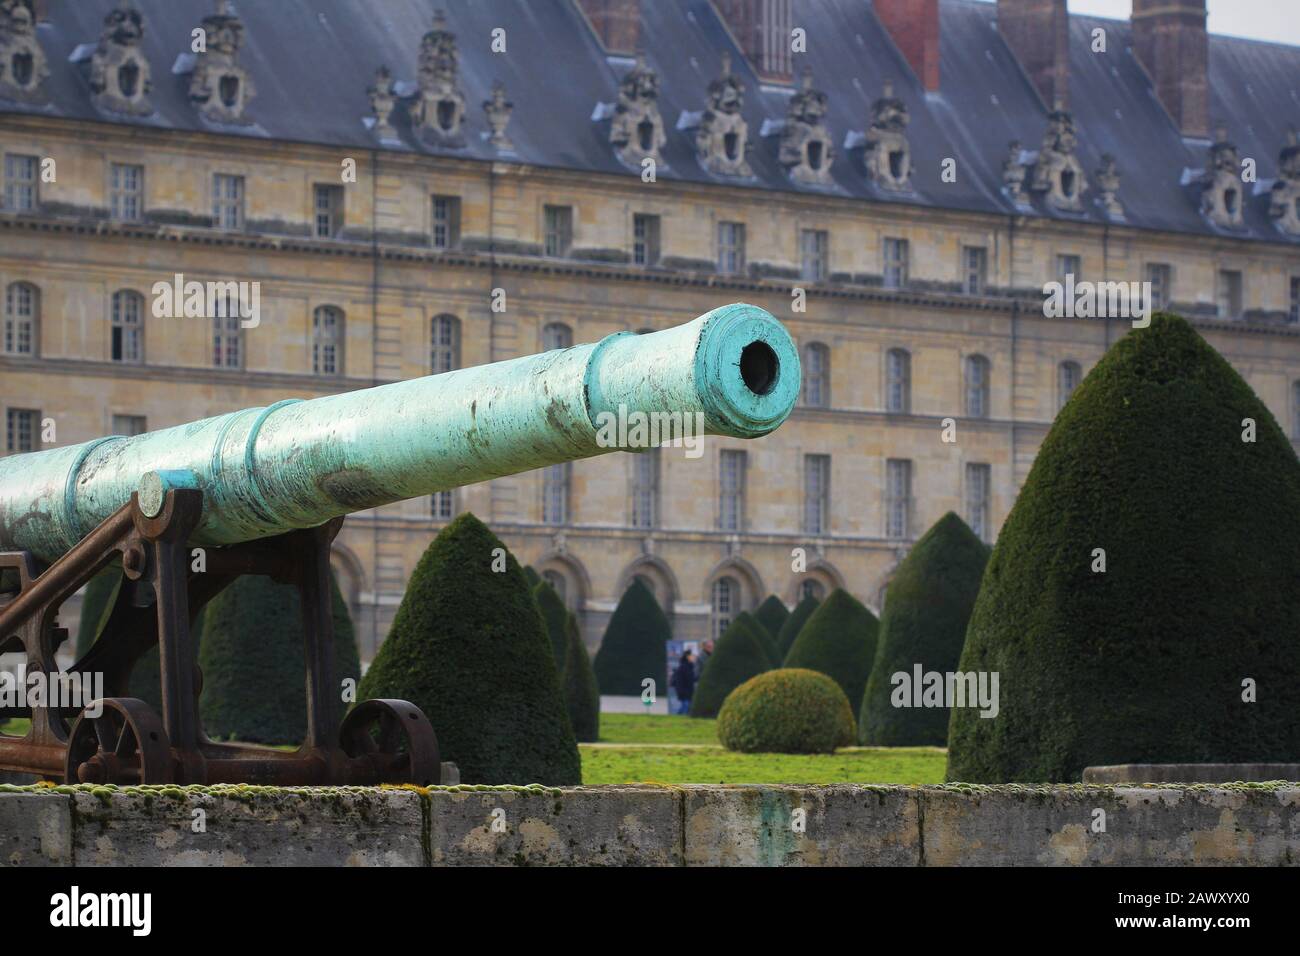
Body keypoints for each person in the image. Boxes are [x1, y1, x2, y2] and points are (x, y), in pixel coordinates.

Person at [671, 650, 697, 715]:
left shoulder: (690, 667)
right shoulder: (683, 667)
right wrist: (681, 692)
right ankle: (678, 719)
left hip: (689, 692)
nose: (694, 657)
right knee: (685, 708)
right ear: (688, 657)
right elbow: (679, 681)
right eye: (692, 656)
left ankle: (678, 719)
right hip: (685, 693)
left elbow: (691, 679)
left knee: (685, 708)